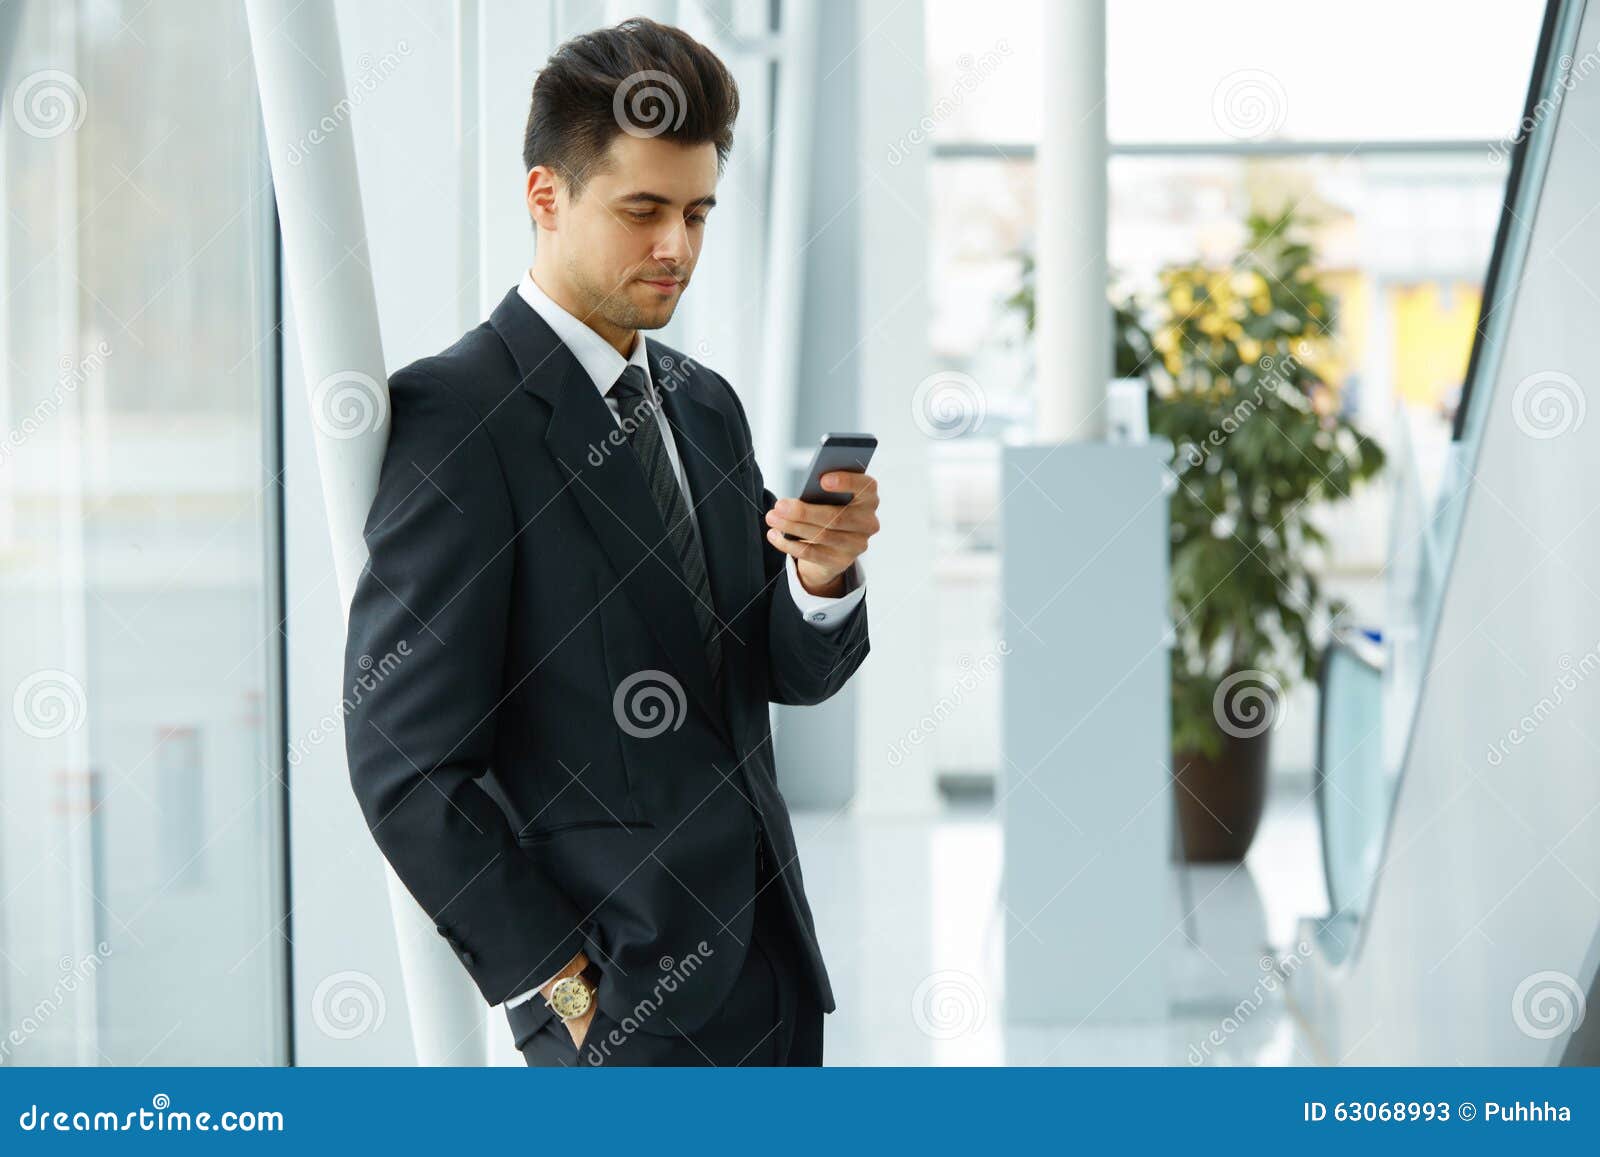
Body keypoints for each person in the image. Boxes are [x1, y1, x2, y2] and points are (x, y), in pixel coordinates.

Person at [342, 16, 878, 1067]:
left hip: (772, 972)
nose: (675, 245)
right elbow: (402, 758)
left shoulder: (702, 402)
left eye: (695, 212)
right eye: (642, 209)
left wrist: (821, 574)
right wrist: (561, 983)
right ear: (546, 195)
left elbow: (770, 672)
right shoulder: (459, 418)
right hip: (619, 1002)